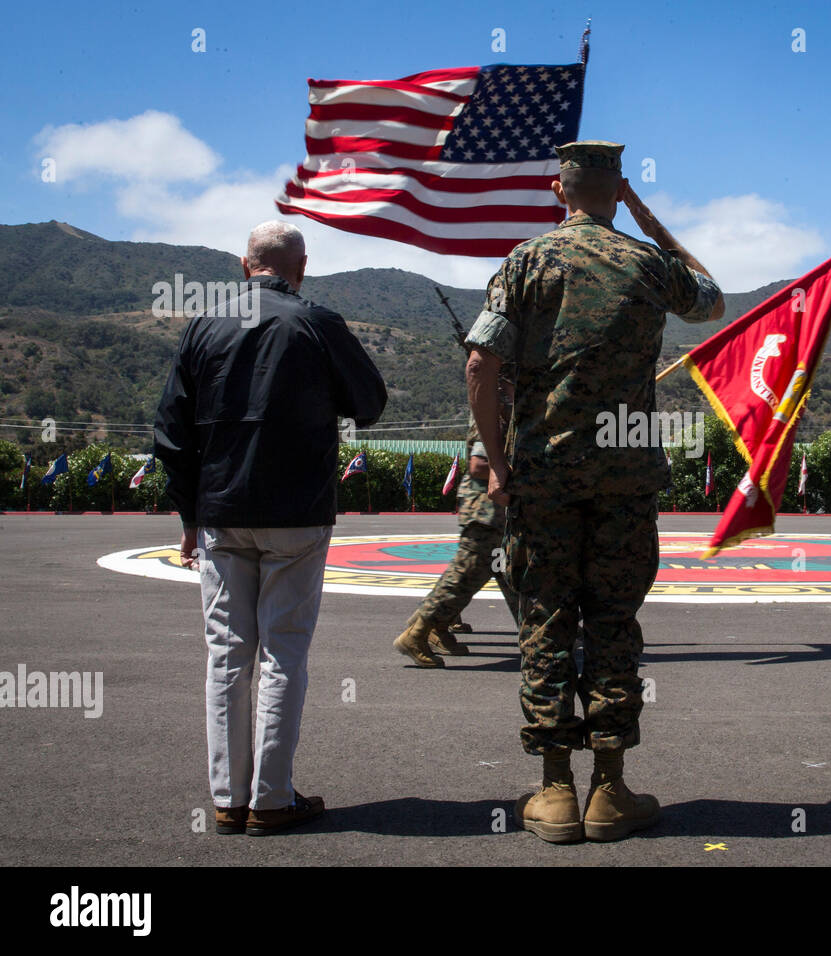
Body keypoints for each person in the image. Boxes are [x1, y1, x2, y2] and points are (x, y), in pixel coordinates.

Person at [463, 140, 724, 843]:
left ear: (559, 189)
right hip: (626, 475)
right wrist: (646, 219)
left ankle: (553, 791)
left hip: (543, 473)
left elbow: (482, 359)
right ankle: (610, 789)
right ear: (617, 192)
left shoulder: (526, 261)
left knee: (546, 620)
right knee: (613, 621)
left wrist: (498, 458)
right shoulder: (648, 263)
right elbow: (713, 298)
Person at [154, 221, 387, 836]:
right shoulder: (317, 322)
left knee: (227, 655)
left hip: (221, 513)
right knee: (284, 653)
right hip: (298, 513)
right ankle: (272, 799)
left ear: (243, 264)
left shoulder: (203, 326)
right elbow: (370, 401)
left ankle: (228, 799)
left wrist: (188, 518)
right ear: (300, 267)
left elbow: (171, 434)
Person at [393, 386, 520, 667]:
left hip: (496, 513)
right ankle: (416, 633)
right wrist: (523, 474)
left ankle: (436, 629)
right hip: (485, 512)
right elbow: (479, 465)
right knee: (462, 578)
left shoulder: (506, 404)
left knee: (496, 578)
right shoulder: (493, 407)